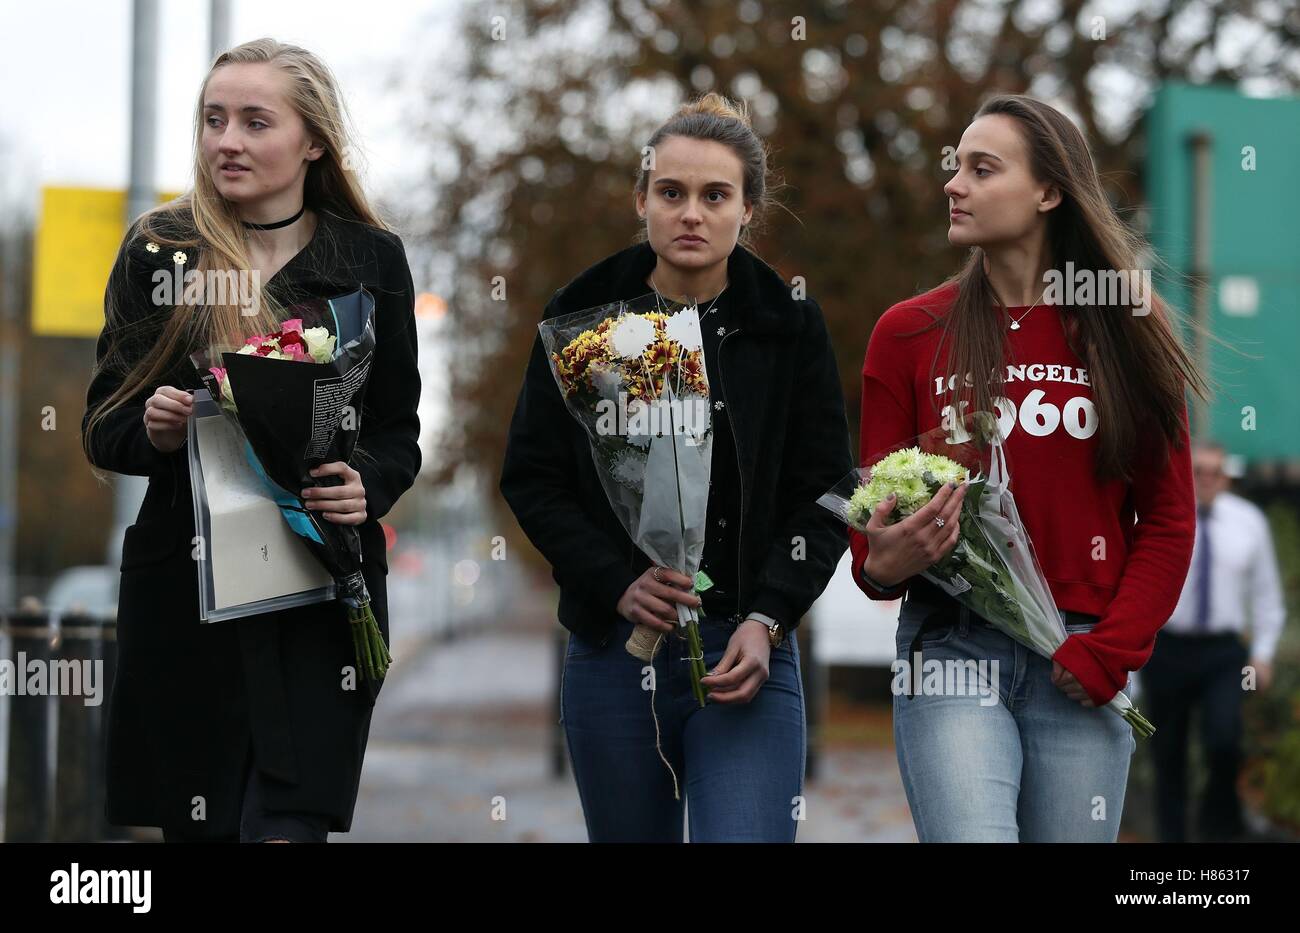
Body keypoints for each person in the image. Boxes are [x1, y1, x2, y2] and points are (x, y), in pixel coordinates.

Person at [81, 38, 421, 842]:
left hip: (319, 595)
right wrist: (156, 430)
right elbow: (102, 422)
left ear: (312, 141)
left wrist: (365, 481)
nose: (226, 139)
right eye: (213, 119)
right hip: (186, 600)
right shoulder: (161, 251)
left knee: (287, 826)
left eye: (254, 121)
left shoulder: (370, 261)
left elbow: (398, 429)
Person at [851, 94, 1206, 842]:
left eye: (983, 169)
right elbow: (870, 530)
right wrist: (883, 560)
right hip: (949, 650)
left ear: (1048, 192)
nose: (955, 184)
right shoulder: (908, 333)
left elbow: (1169, 519)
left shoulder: (1126, 329)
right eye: (957, 168)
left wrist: (1113, 649)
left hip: (1082, 662)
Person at [500, 93, 852, 842]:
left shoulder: (788, 321)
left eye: (715, 195)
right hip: (613, 655)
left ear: (747, 210)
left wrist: (770, 615)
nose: (692, 213)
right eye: (672, 192)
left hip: (747, 653)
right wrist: (616, 581)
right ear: (642, 199)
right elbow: (533, 477)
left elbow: (826, 491)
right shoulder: (585, 312)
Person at [1144, 440, 1286, 842]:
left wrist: (1262, 654)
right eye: (1198, 471)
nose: (1206, 479)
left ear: (1227, 477)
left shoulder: (1248, 522)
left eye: (1215, 472)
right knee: (1167, 752)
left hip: (1223, 654)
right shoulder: (1160, 516)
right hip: (1167, 649)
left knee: (1225, 740)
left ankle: (1219, 830)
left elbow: (1266, 595)